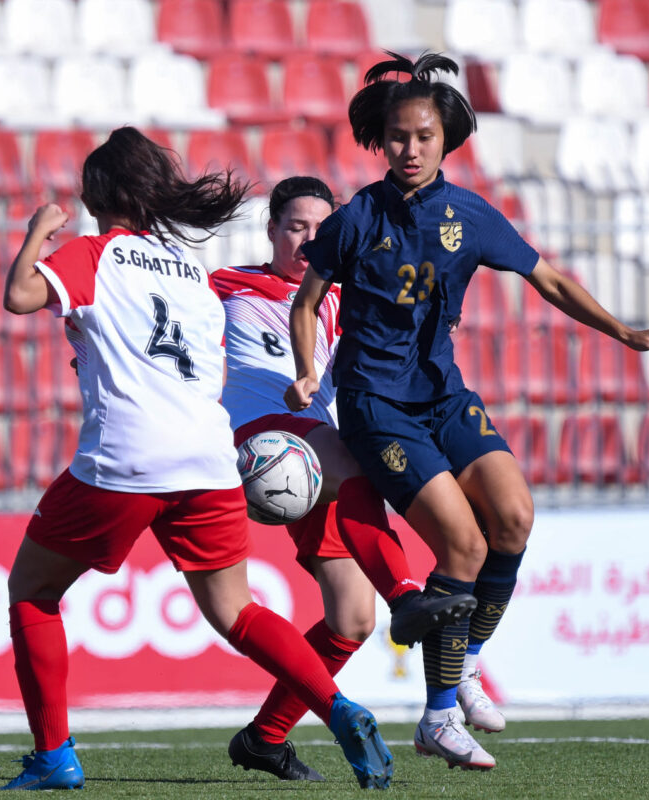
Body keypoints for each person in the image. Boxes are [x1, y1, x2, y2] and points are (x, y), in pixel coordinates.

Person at [286, 53, 649, 770]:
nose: (410, 148)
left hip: (444, 396)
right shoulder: (355, 219)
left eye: (424, 136)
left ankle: (462, 658)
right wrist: (310, 369)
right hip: (377, 404)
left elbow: (548, 278)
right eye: (398, 136)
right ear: (382, 138)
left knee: (515, 517)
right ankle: (438, 716)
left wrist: (624, 331)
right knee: (461, 546)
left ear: (446, 140)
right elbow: (307, 304)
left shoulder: (470, 214)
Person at [0, 127, 393, 790]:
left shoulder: (96, 252)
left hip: (125, 459)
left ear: (100, 194)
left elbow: (19, 298)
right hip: (209, 462)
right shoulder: (188, 274)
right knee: (237, 612)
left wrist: (38, 234)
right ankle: (337, 705)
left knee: (31, 594)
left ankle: (54, 757)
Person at [213, 176, 477, 782]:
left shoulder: (345, 295)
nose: (308, 240)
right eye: (296, 227)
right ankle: (408, 595)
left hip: (317, 457)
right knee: (359, 469)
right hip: (265, 440)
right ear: (271, 229)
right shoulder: (224, 287)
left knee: (351, 619)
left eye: (319, 230)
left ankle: (264, 738)